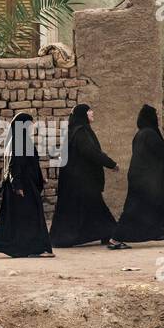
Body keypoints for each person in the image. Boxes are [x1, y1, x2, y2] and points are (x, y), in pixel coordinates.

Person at [0, 111, 54, 259]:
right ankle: (38, 248)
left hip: (24, 185)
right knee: (27, 216)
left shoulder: (20, 139)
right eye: (29, 124)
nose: (32, 126)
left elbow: (29, 163)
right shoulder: (18, 140)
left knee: (17, 218)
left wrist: (40, 177)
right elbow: (15, 165)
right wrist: (18, 186)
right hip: (22, 187)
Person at [49, 104, 126, 249]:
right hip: (83, 181)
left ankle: (107, 234)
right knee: (97, 208)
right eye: (89, 110)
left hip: (76, 181)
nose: (92, 113)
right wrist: (111, 164)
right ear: (83, 114)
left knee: (90, 210)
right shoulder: (81, 132)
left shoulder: (74, 131)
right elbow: (91, 152)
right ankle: (111, 235)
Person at [112, 104, 164, 244]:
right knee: (134, 211)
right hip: (146, 182)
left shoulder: (140, 134)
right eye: (156, 115)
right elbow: (163, 151)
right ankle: (116, 238)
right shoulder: (149, 134)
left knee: (160, 208)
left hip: (141, 179)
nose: (158, 118)